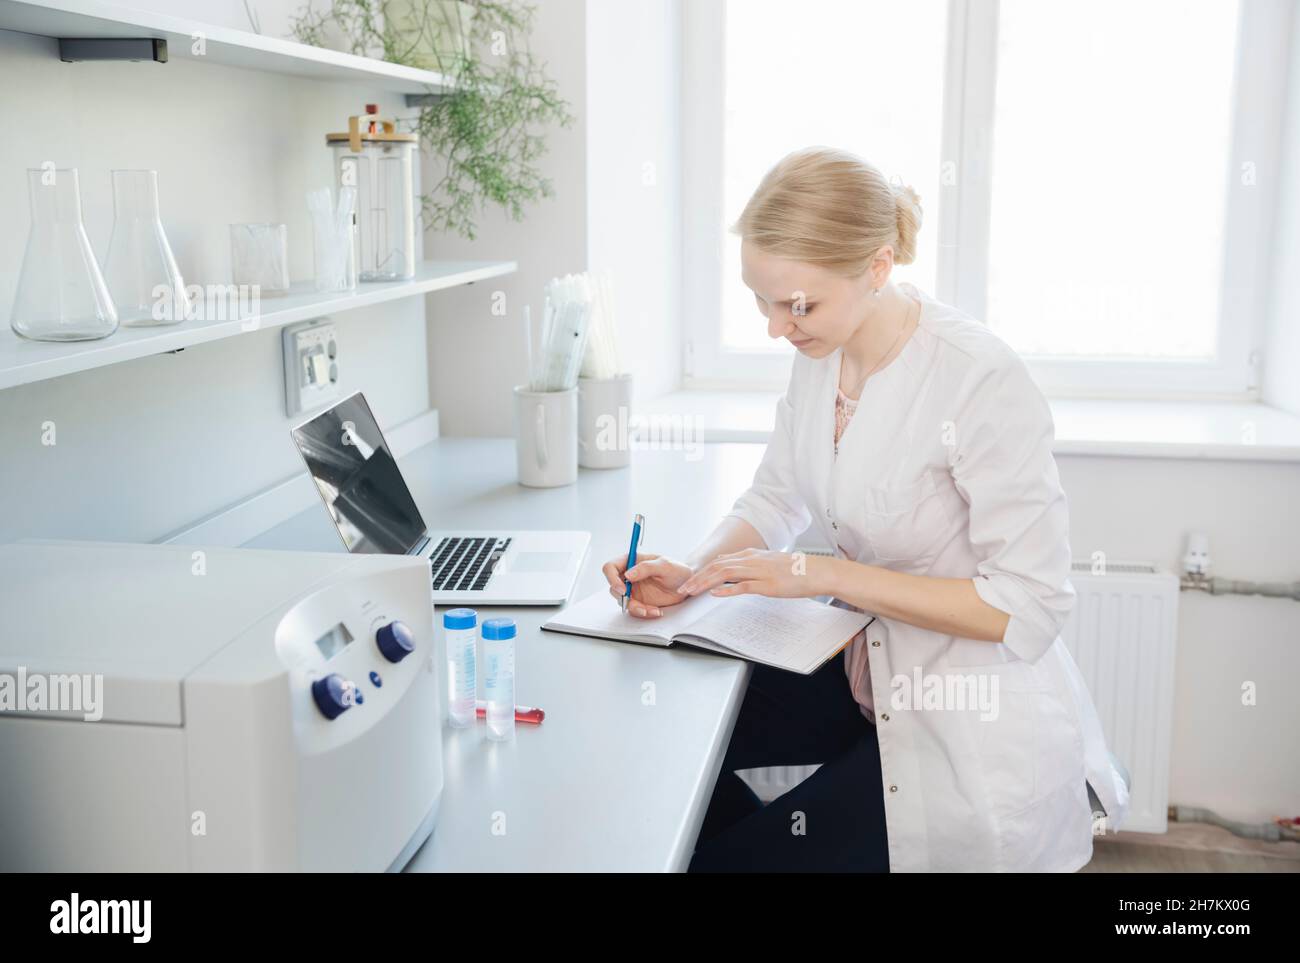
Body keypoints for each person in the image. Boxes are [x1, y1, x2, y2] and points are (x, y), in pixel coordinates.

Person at [602, 147, 1128, 872]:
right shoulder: (822, 347)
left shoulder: (978, 379)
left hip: (964, 722)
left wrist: (822, 573)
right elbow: (776, 495)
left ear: (878, 267)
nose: (775, 328)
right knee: (680, 760)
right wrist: (691, 573)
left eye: (797, 305)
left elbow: (1029, 606)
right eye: (761, 301)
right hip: (864, 675)